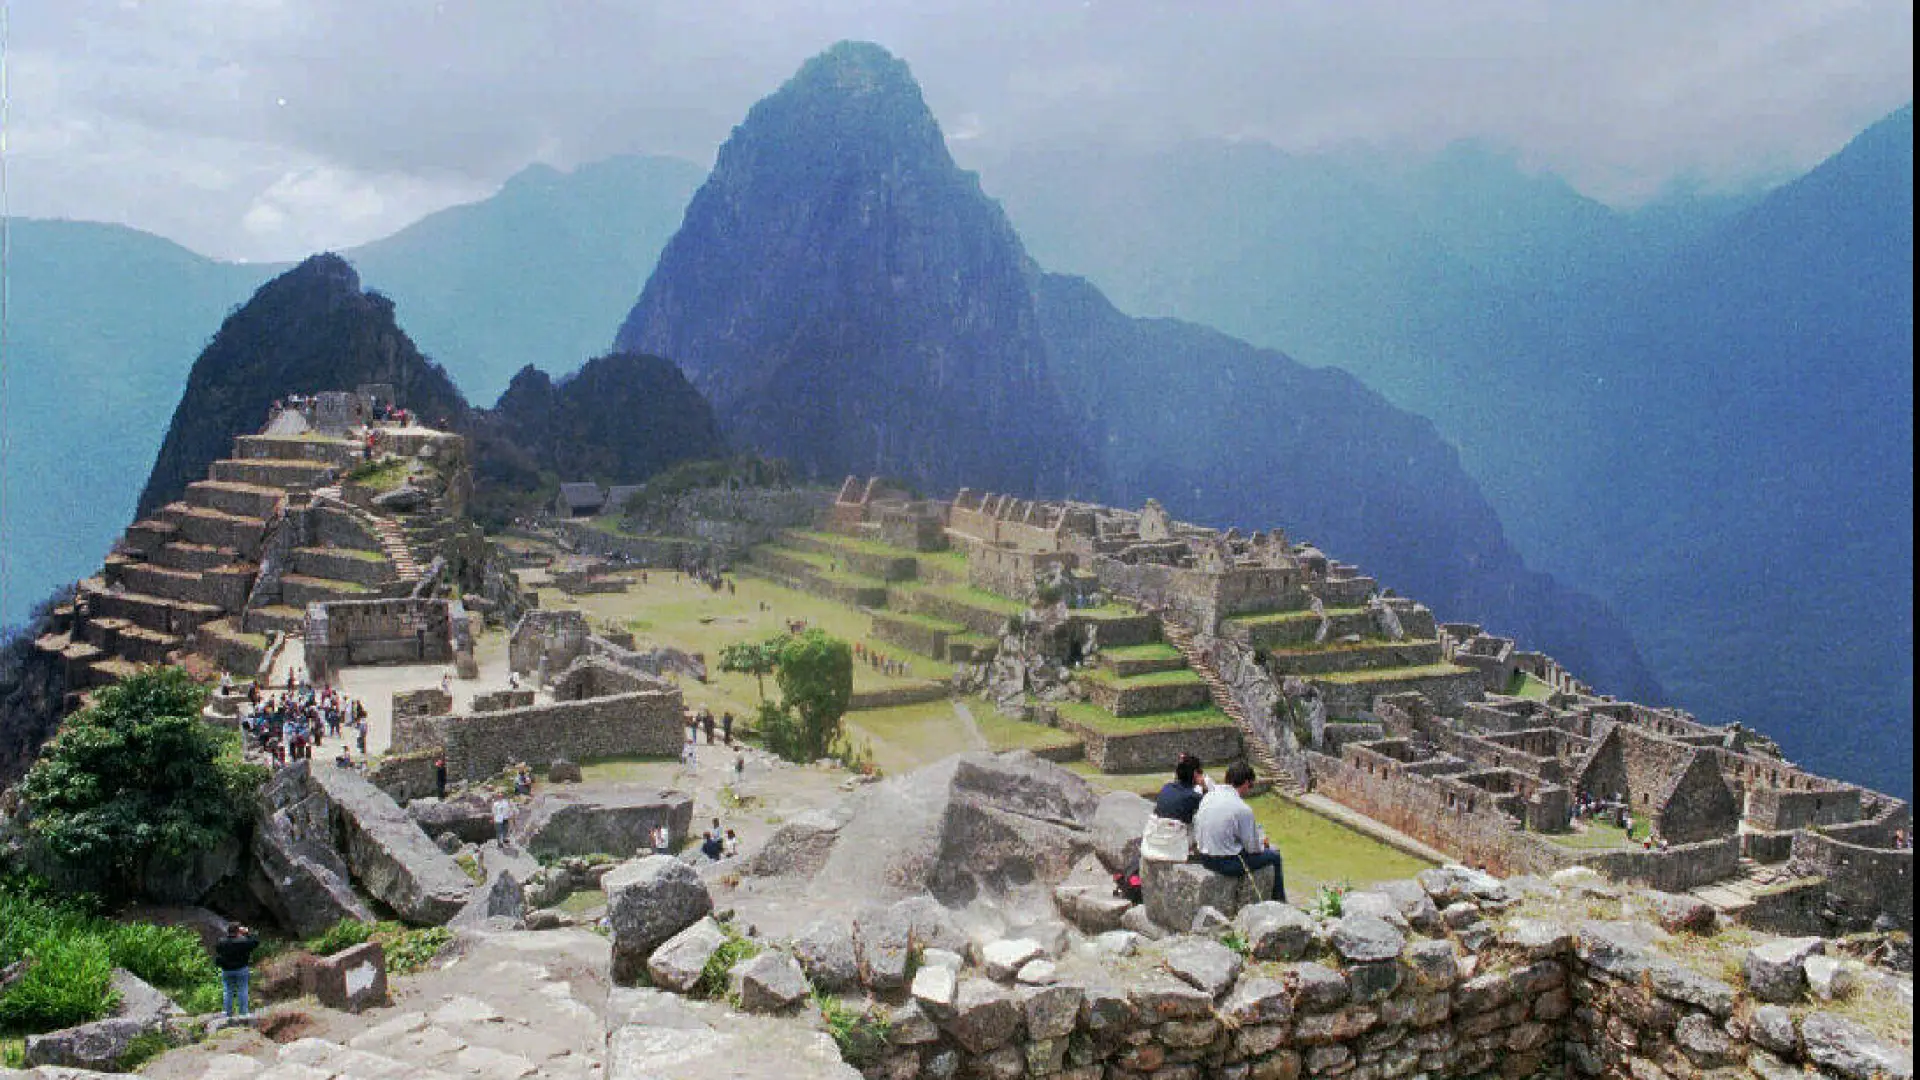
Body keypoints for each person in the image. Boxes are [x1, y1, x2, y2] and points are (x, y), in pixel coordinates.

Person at [1191, 763, 1286, 902]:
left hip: (1204, 857)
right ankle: (1279, 900)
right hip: (1224, 863)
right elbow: (1252, 848)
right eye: (1251, 785)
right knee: (1274, 856)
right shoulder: (1242, 808)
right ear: (1246, 783)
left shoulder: (1209, 796)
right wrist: (1263, 844)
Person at [214, 923, 260, 1022]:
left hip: (227, 970)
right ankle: (243, 1012)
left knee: (228, 990)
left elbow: (218, 949)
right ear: (238, 931)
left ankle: (227, 1012)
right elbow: (256, 942)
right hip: (241, 969)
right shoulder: (244, 942)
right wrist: (247, 933)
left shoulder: (221, 942)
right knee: (242, 989)